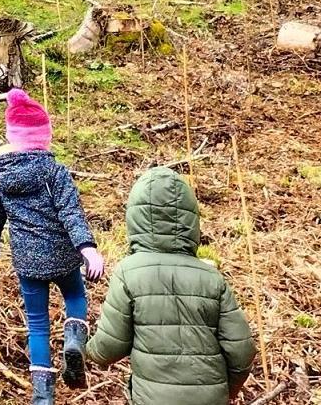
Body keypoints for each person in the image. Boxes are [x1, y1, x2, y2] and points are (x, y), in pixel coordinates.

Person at [86, 167, 257, 405]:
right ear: (191, 220)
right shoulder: (211, 278)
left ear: (136, 218)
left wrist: (87, 349)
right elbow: (242, 351)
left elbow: (109, 348)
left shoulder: (129, 272)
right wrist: (228, 391)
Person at [0, 89, 106, 404]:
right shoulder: (54, 171)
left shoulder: (0, 175)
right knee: (76, 296)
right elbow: (71, 213)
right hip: (64, 256)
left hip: (27, 263)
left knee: (37, 325)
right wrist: (87, 248)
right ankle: (74, 340)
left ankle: (42, 396)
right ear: (44, 137)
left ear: (11, 136)